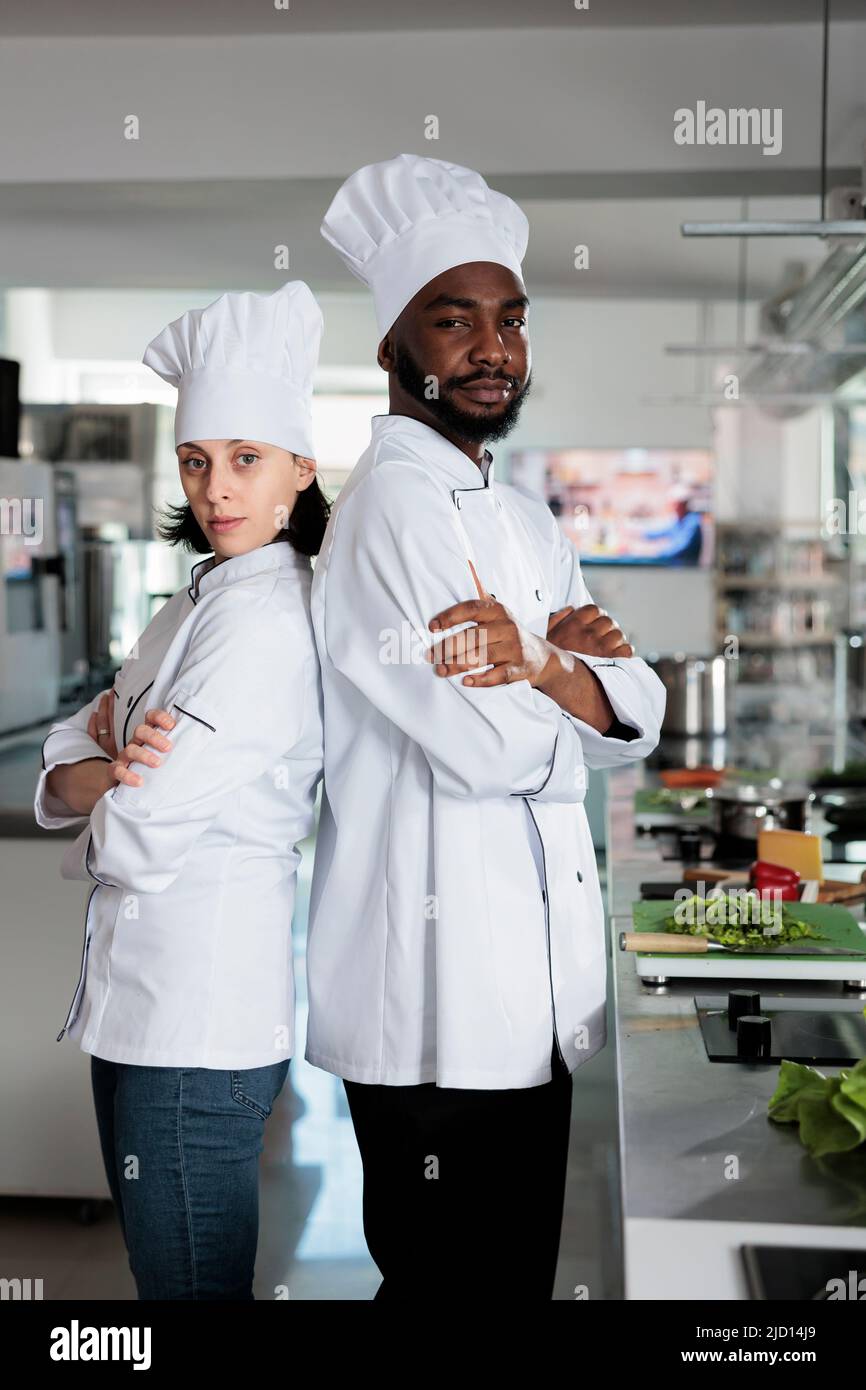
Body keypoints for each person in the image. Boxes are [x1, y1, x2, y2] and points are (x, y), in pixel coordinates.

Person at [308, 153, 667, 1300]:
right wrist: (569, 686)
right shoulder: (389, 510)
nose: (491, 348)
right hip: (432, 999)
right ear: (393, 347)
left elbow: (635, 713)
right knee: (448, 1283)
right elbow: (491, 750)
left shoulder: (518, 514)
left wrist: (549, 670)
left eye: (510, 320)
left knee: (505, 1279)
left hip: (526, 993)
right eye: (453, 321)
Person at [33, 281, 326, 1300]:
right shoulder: (191, 601)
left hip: (195, 1025)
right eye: (197, 462)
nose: (217, 489)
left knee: (190, 1290)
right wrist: (108, 773)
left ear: (301, 467)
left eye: (246, 460)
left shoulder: (267, 620)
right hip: (132, 1009)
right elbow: (79, 751)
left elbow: (138, 830)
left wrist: (102, 790)